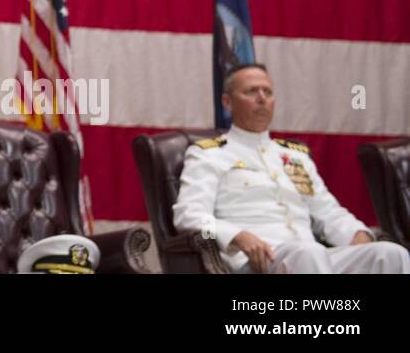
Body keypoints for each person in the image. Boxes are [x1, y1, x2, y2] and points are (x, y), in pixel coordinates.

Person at [173, 62, 409, 273]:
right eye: (251, 91)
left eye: (267, 91)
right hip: (259, 262)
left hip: (313, 259)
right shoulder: (209, 154)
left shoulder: (294, 156)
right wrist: (237, 236)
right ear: (227, 102)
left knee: (390, 254)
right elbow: (189, 215)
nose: (262, 98)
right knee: (308, 253)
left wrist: (357, 234)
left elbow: (327, 211)